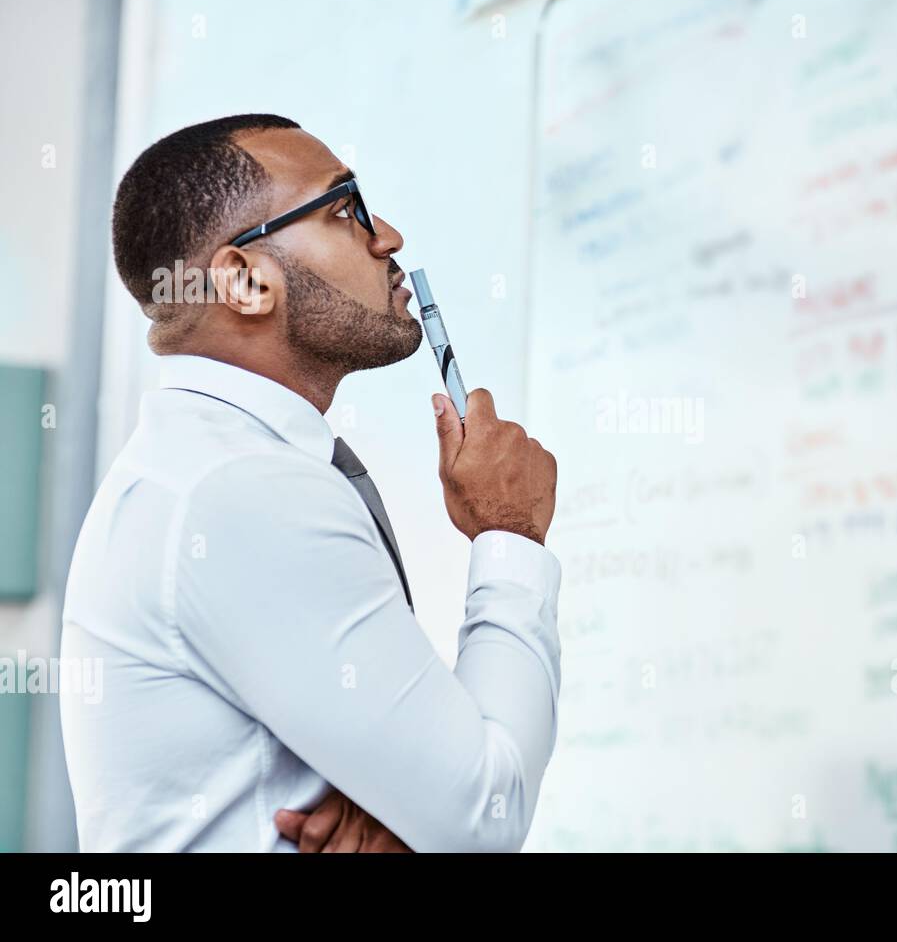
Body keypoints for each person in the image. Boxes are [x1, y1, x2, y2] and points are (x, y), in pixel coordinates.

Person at [59, 114, 560, 852]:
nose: (385, 235)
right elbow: (485, 817)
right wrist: (509, 532)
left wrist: (400, 813)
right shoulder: (244, 490)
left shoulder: (207, 469)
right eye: (343, 208)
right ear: (245, 280)